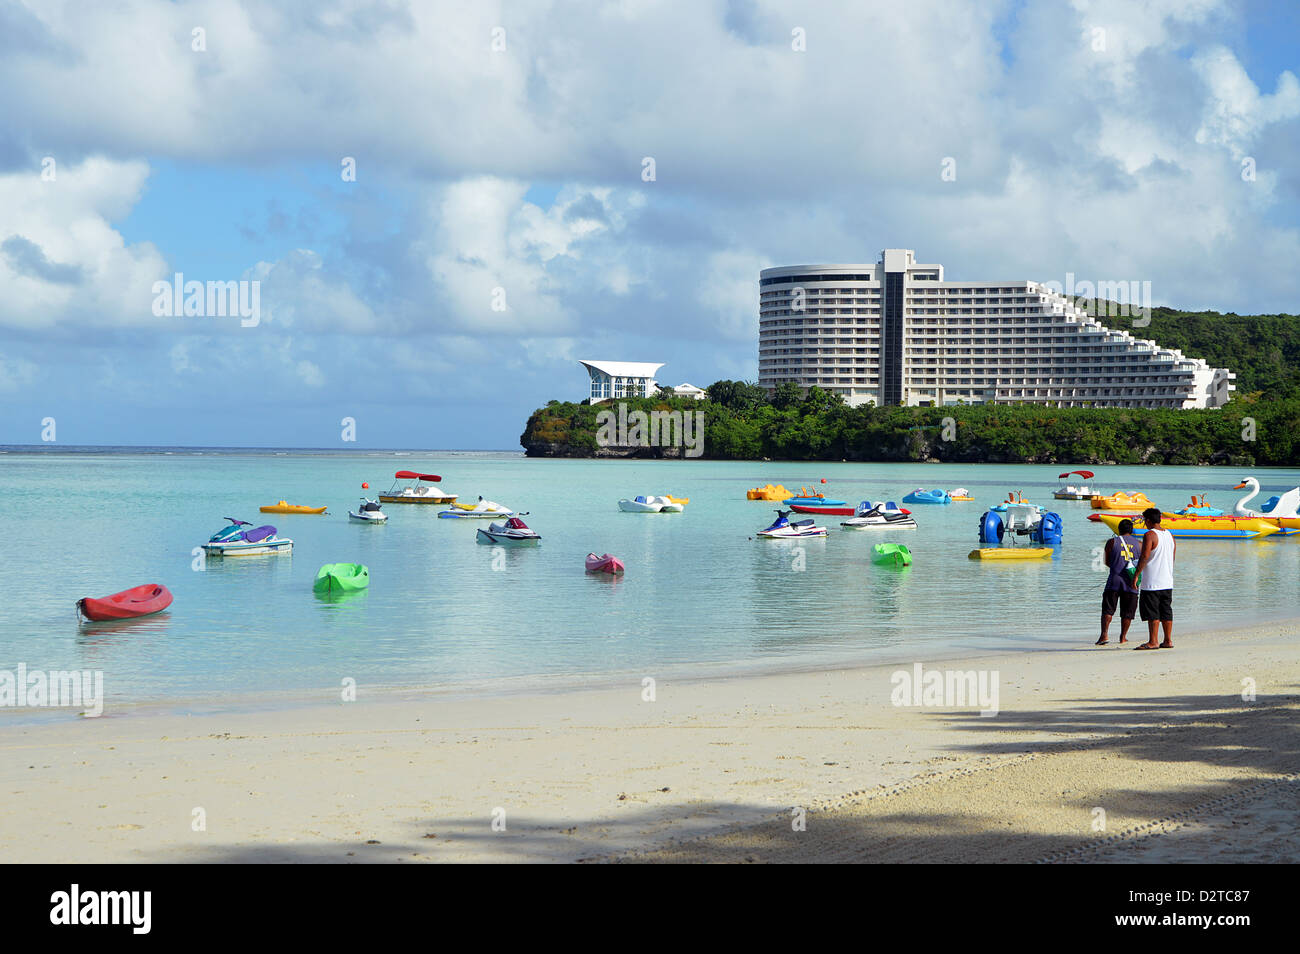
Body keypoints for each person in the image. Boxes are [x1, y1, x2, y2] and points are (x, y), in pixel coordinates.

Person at [1133, 507, 1175, 649]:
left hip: (1152, 581)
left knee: (1153, 612)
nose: (1145, 523)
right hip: (1167, 581)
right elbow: (1172, 557)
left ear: (1149, 521)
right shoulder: (1170, 535)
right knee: (1166, 610)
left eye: (1145, 520)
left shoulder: (1149, 535)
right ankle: (1168, 640)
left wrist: (1136, 574)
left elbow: (1144, 556)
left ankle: (1153, 641)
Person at [1096, 518, 1140, 645]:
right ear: (1131, 530)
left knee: (1108, 609)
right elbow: (1142, 563)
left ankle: (1104, 635)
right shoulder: (1140, 544)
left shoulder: (1111, 542)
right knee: (1128, 612)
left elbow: (1106, 561)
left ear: (1119, 530)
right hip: (1132, 582)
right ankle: (1123, 637)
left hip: (1114, 581)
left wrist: (1116, 568)